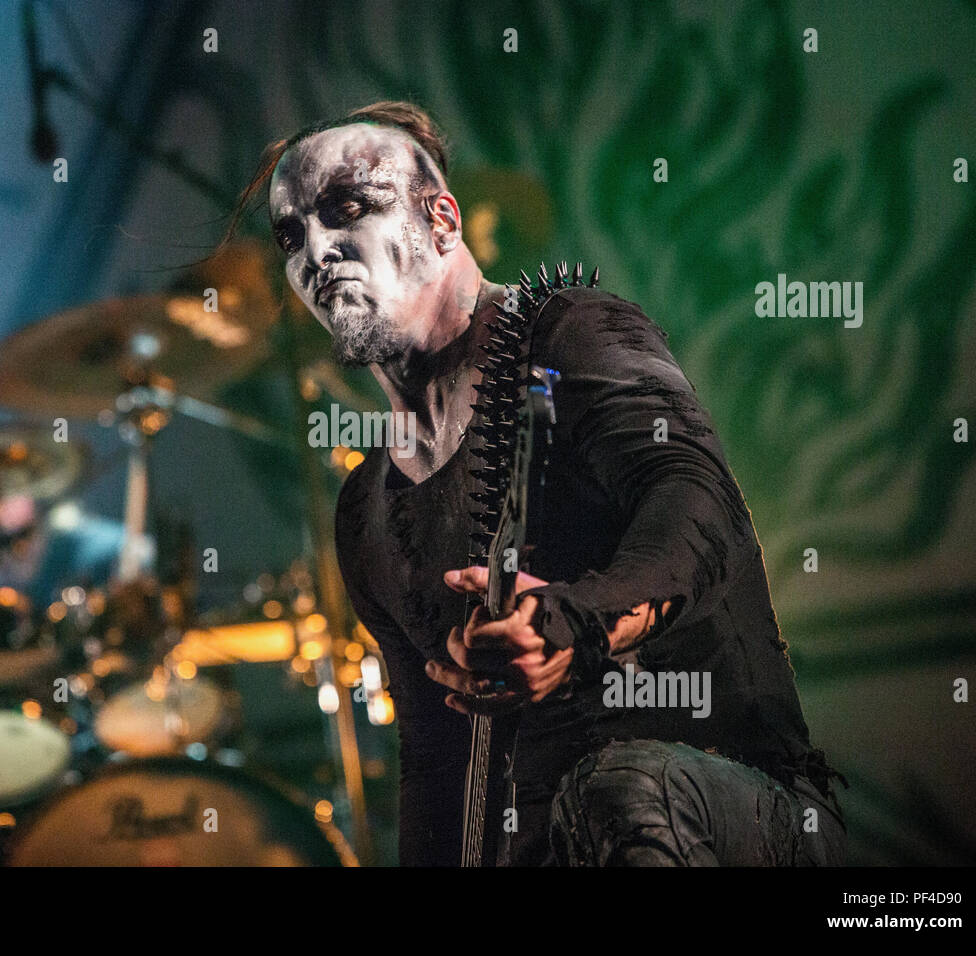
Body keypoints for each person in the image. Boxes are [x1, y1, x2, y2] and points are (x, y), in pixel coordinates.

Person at [230, 101, 846, 866]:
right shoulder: (367, 510)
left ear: (442, 221)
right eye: (291, 236)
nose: (316, 253)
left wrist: (574, 625)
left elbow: (698, 504)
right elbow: (433, 762)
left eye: (348, 210)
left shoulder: (571, 333)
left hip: (736, 810)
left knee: (619, 790)